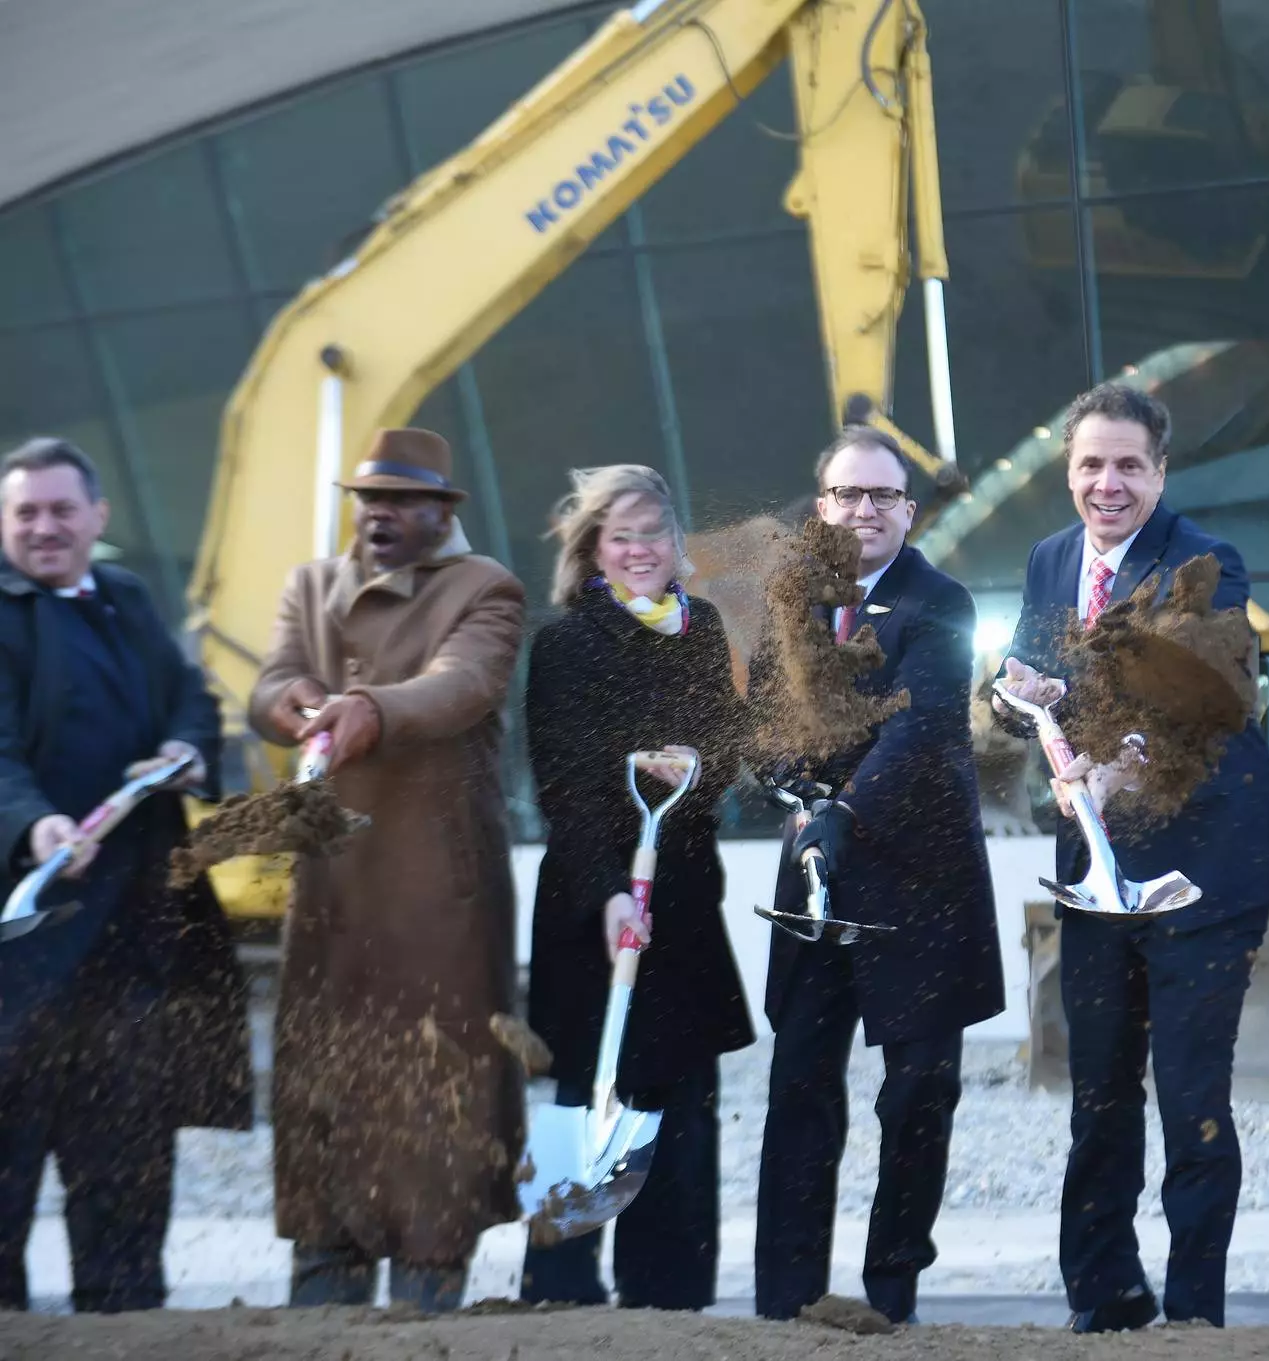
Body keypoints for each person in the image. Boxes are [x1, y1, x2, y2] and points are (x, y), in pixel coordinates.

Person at [998, 381, 1269, 1331]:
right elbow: (1035, 681)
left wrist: (1118, 768)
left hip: (1200, 873)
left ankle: (1196, 1315)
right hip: (1096, 875)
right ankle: (1105, 1299)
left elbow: (1197, 705)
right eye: (1091, 464)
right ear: (1068, 470)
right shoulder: (1048, 560)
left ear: (1161, 471)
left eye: (1128, 465)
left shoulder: (1209, 562)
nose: (1108, 483)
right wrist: (1015, 697)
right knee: (1100, 1092)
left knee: (1192, 1095)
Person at [248, 427, 526, 1313]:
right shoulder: (310, 585)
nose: (380, 515)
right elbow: (272, 680)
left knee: (438, 1095)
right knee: (327, 1083)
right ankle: (323, 1281)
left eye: (402, 501)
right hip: (333, 894)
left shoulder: (487, 588)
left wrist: (370, 707)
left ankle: (425, 1293)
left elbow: (464, 682)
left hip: (436, 899)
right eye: (369, 499)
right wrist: (290, 704)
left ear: (441, 512)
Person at [752, 426, 1003, 1325]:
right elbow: (765, 720)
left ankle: (893, 1291)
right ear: (820, 504)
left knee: (919, 1093)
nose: (864, 511)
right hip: (818, 883)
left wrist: (842, 809)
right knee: (801, 1089)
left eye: (882, 496)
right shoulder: (793, 597)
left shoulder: (942, 601)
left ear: (907, 508)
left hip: (919, 884)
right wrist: (786, 784)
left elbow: (923, 724)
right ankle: (784, 1300)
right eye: (847, 494)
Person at [0, 438, 251, 1312]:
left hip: (135, 944)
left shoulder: (127, 598)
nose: (44, 527)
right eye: (25, 511)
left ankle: (128, 1323)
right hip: (19, 953)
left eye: (61, 509)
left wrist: (187, 746)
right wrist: (35, 823)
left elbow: (192, 694)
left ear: (98, 517)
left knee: (127, 1159)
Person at [520, 465, 754, 1309]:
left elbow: (727, 746)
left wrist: (699, 765)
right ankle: (559, 1294)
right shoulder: (565, 644)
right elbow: (563, 784)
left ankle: (672, 1301)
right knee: (588, 1093)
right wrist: (608, 893)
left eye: (654, 532)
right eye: (622, 535)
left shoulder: (703, 630)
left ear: (675, 543)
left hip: (682, 903)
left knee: (683, 1105)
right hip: (596, 911)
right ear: (594, 548)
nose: (640, 549)